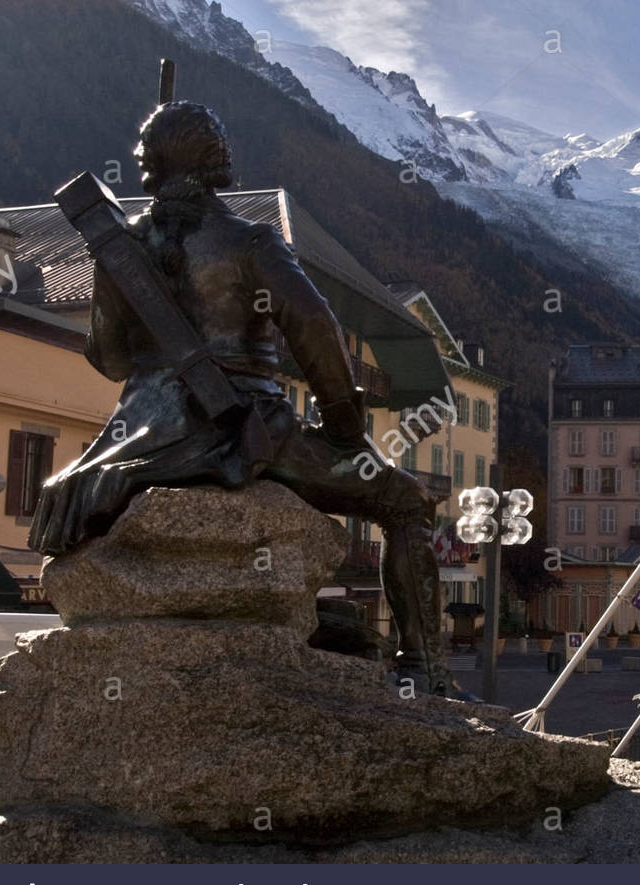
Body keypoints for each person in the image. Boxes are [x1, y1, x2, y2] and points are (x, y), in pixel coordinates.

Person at [29, 101, 461, 697]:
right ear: (211, 162)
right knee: (406, 502)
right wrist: (341, 418)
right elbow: (314, 326)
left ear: (154, 166)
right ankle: (425, 670)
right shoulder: (249, 240)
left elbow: (110, 359)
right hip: (245, 425)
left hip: (140, 434)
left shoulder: (118, 246)